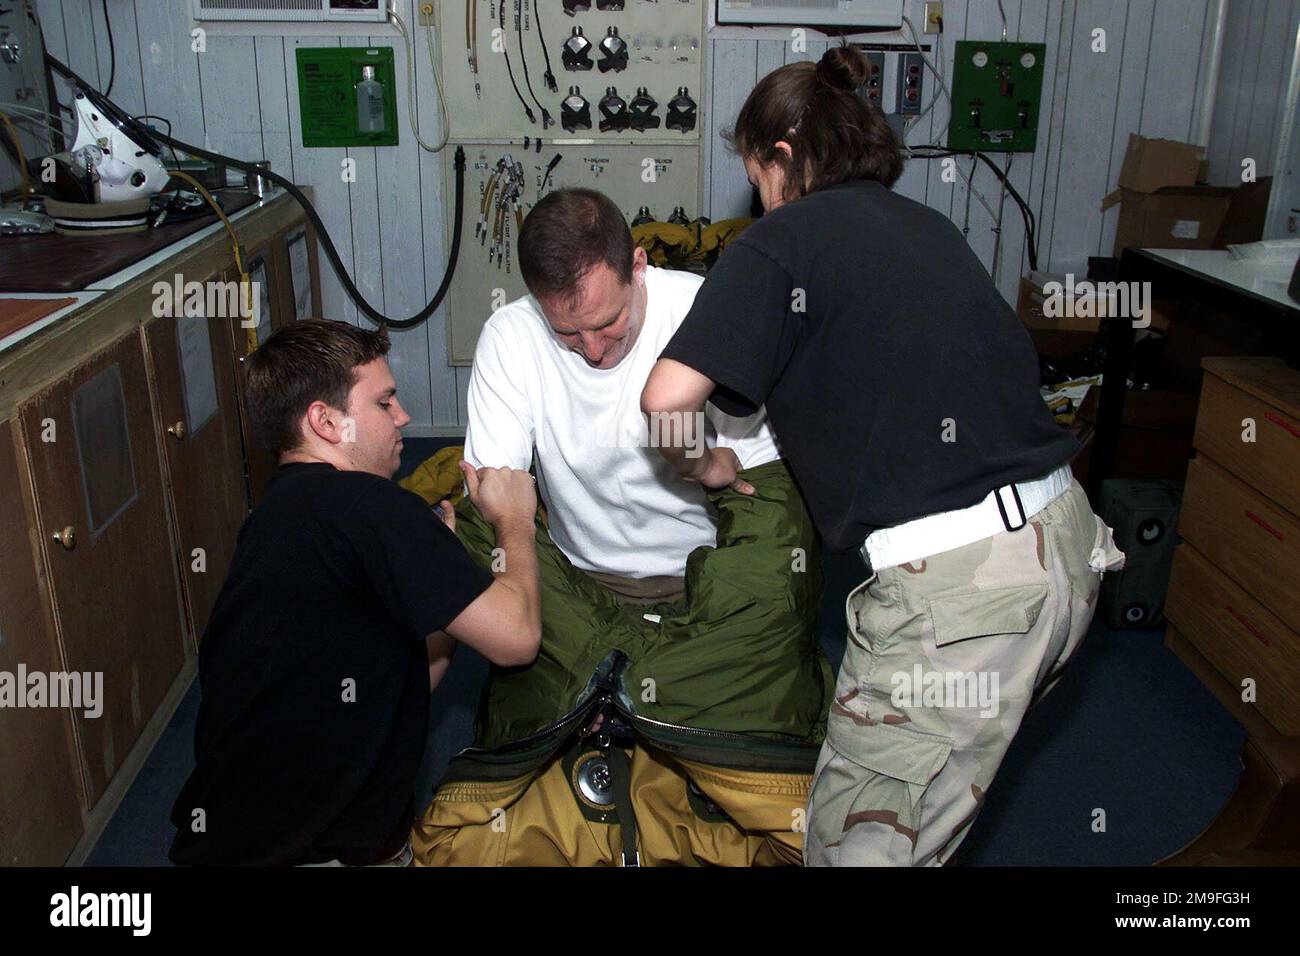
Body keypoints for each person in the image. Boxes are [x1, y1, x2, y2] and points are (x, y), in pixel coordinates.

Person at [642, 45, 1125, 867]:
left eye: (756, 173)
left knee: (854, 851)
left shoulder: (781, 237)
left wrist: (704, 468)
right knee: (927, 816)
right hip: (1066, 549)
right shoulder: (927, 226)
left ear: (783, 158)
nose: (758, 196)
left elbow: (665, 402)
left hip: (962, 598)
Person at [410, 188, 832, 867]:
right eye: (568, 334)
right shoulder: (511, 337)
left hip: (704, 588)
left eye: (608, 325)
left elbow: (768, 495)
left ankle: (623, 700)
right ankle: (616, 697)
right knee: (460, 536)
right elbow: (501, 506)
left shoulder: (707, 311)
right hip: (581, 586)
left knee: (784, 553)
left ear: (638, 265)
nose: (594, 351)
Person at [169, 320, 540, 866]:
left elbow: (401, 687)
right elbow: (518, 639)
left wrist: (439, 579)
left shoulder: (278, 515)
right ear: (325, 421)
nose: (404, 417)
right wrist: (516, 523)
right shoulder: (373, 507)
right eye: (384, 402)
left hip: (234, 843)